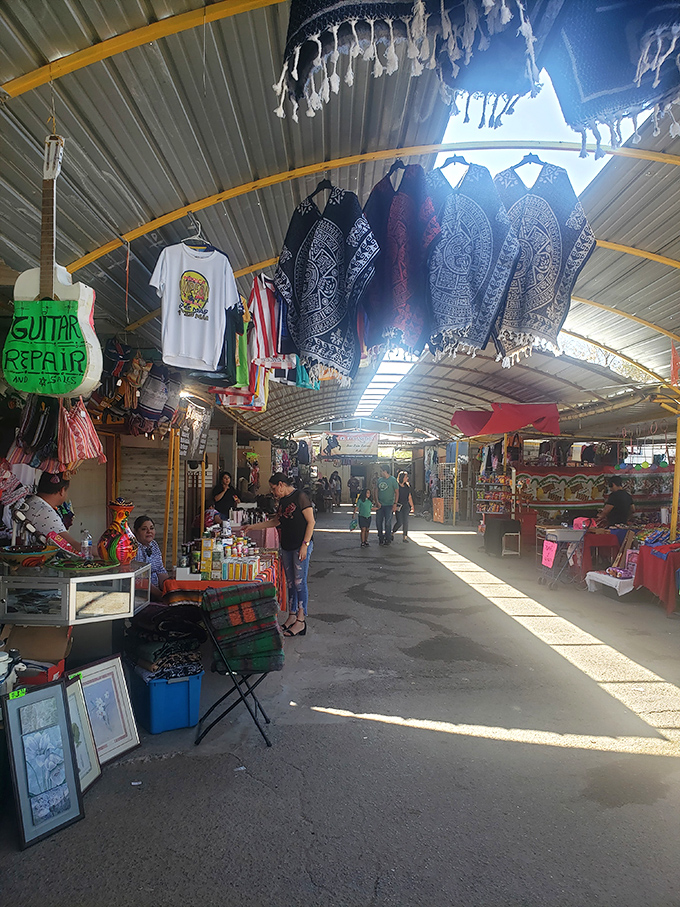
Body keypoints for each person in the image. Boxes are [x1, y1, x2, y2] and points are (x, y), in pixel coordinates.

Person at [243, 473, 315, 637]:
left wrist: (305, 545)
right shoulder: (282, 501)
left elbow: (311, 522)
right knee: (290, 582)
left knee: (299, 582)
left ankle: (301, 621)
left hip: (300, 545)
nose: (273, 492)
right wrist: (253, 527)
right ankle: (292, 615)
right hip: (287, 545)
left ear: (282, 484)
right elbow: (277, 521)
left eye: (274, 488)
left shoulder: (301, 496)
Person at [22, 472, 80, 549]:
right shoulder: (44, 512)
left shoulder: (32, 502)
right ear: (62, 491)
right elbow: (71, 546)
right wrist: (99, 551)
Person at [132, 515, 169, 601]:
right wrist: (160, 595)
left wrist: (168, 590)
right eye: (144, 529)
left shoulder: (154, 545)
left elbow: (160, 570)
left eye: (151, 528)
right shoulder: (133, 548)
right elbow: (139, 579)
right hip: (140, 594)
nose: (149, 531)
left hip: (157, 592)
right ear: (135, 532)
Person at [375, 466, 399, 546]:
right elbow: (376, 490)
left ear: (385, 471)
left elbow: (396, 492)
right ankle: (380, 537)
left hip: (389, 505)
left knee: (388, 523)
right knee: (378, 522)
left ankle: (387, 538)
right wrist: (377, 501)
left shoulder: (393, 480)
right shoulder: (379, 480)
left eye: (381, 471)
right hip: (380, 505)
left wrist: (395, 503)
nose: (380, 473)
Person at [393, 471, 414, 542]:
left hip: (405, 506)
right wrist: (394, 504)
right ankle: (392, 532)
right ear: (402, 478)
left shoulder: (407, 486)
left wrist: (412, 506)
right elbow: (394, 495)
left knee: (406, 521)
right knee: (399, 521)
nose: (407, 478)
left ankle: (405, 537)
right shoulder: (397, 486)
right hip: (399, 505)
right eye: (406, 477)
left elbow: (409, 496)